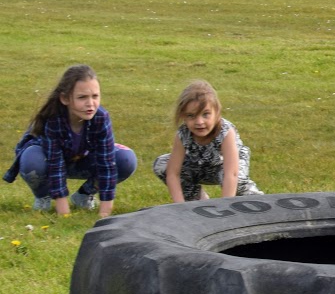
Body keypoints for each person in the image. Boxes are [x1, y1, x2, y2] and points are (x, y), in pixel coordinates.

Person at [3, 65, 136, 218]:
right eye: (82, 97)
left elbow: (106, 163)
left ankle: (84, 195)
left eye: (95, 96)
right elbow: (55, 163)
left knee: (126, 159)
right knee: (32, 159)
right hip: (51, 162)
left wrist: (105, 212)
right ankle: (43, 196)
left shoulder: (101, 118)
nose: (90, 104)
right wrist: (63, 211)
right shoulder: (53, 119)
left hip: (84, 161)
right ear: (65, 98)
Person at [152, 80, 262, 202]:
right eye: (191, 116)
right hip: (200, 165)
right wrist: (180, 207)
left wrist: (225, 207)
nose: (199, 122)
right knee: (163, 164)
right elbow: (173, 174)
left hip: (226, 167)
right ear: (183, 116)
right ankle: (197, 201)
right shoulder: (183, 134)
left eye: (206, 114)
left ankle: (257, 199)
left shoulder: (225, 132)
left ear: (217, 113)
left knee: (238, 182)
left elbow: (232, 174)